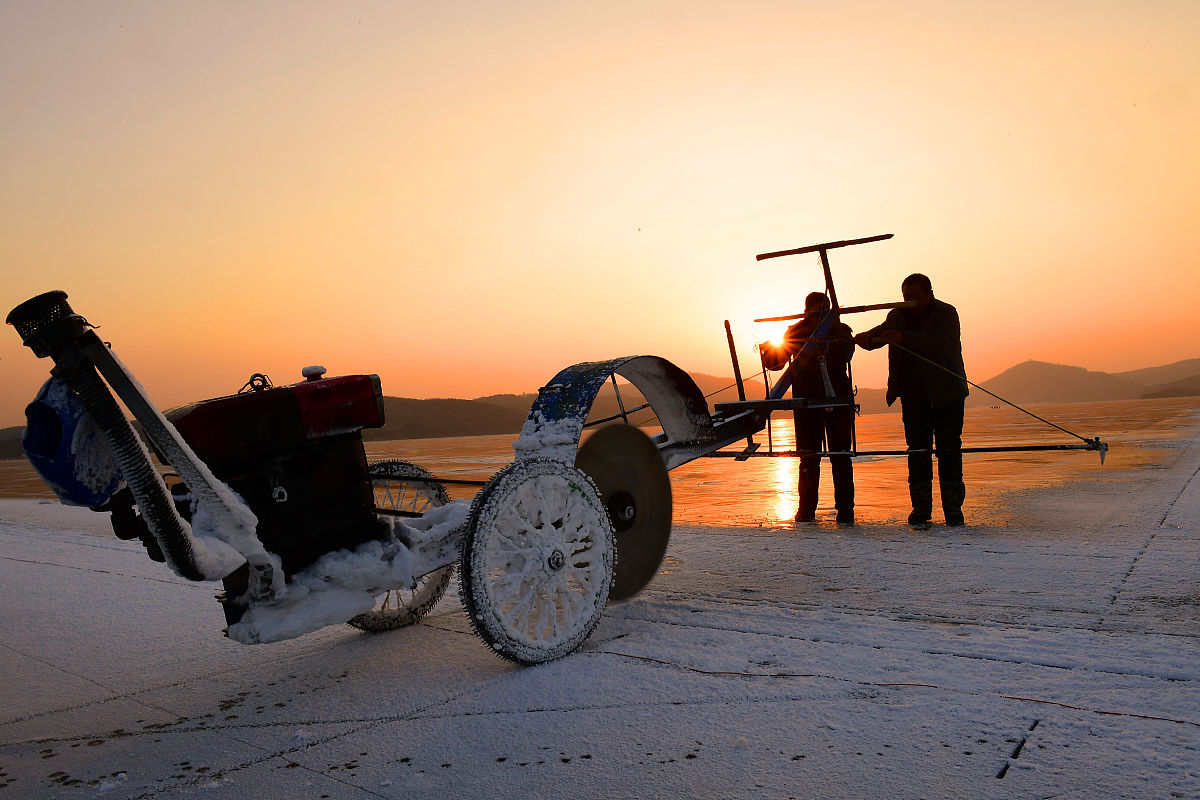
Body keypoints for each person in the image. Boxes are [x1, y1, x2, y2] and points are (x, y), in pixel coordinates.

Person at [854, 273, 968, 526]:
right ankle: (920, 509)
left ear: (929, 293)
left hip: (947, 393)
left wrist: (904, 337)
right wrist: (864, 338)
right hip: (913, 397)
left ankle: (953, 510)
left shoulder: (947, 313)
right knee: (917, 451)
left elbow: (941, 344)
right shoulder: (897, 315)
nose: (910, 301)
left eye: (916, 297)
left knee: (949, 450)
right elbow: (880, 336)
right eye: (906, 297)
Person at [777, 291, 855, 525]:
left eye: (826, 310)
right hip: (806, 405)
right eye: (817, 311)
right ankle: (806, 511)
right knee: (809, 458)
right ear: (806, 311)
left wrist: (827, 344)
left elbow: (847, 353)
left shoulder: (841, 330)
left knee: (841, 457)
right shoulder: (794, 332)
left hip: (838, 402)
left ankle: (845, 512)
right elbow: (775, 362)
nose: (822, 316)